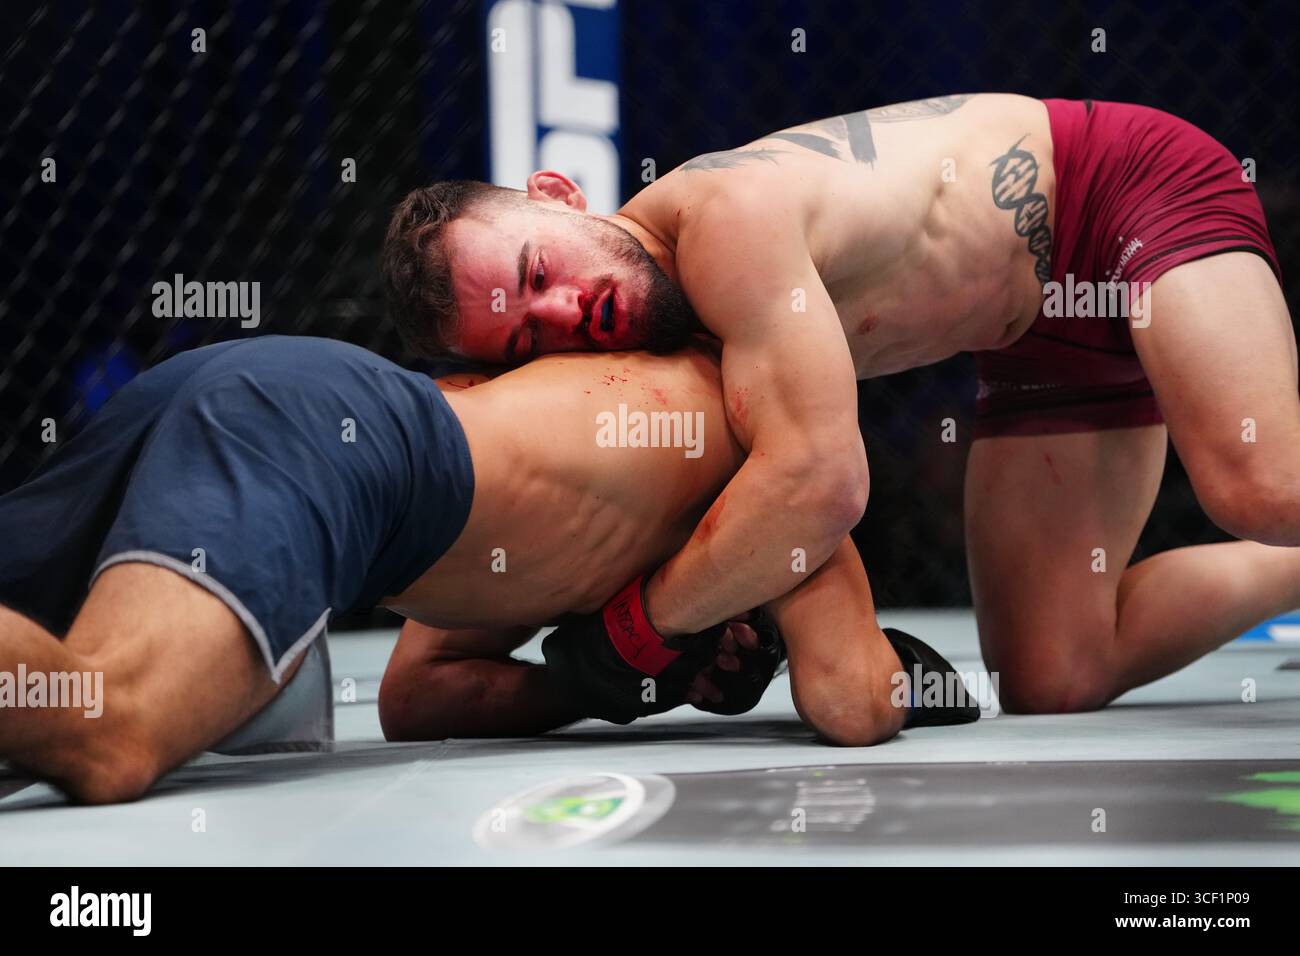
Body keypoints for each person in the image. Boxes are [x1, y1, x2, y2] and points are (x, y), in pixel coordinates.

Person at [383, 94, 1296, 715]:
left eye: (537, 272)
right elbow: (419, 684)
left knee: (1261, 484)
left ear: (559, 193)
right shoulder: (656, 365)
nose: (559, 314)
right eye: (526, 340)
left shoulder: (722, 220)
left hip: (1117, 189)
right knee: (1056, 675)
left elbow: (822, 484)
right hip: (1030, 338)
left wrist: (636, 636)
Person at [0, 335, 972, 804]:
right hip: (325, 436)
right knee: (107, 725)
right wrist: (648, 639)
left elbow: (414, 698)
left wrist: (595, 676)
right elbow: (854, 697)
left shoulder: (578, 500)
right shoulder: (784, 480)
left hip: (263, 386)